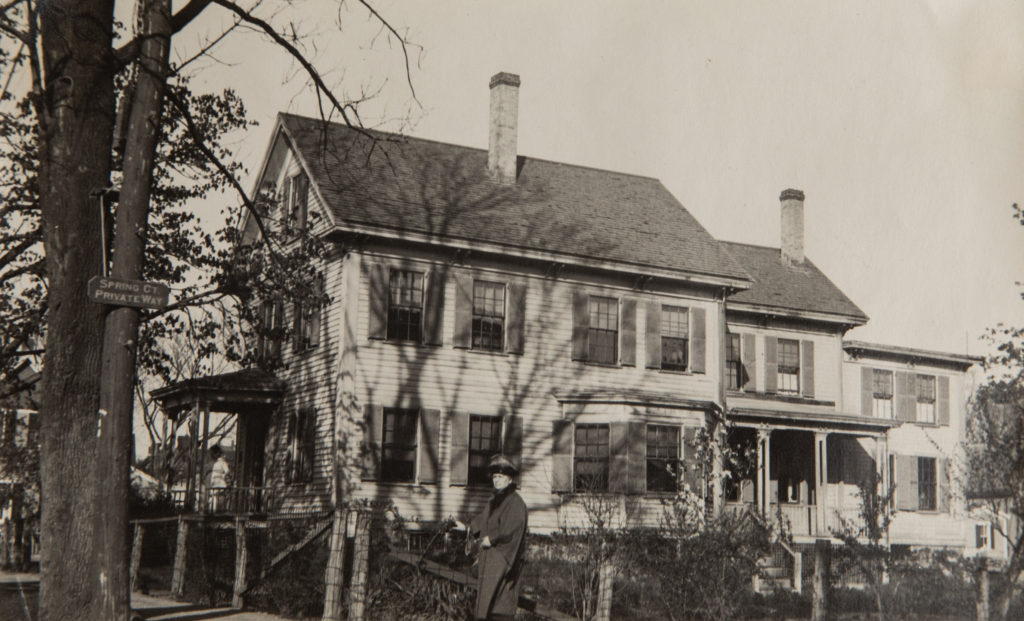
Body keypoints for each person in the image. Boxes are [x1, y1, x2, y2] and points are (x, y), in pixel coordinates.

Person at [468, 454, 528, 621]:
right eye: (495, 477)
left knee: (501, 601)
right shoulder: (494, 501)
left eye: (500, 477)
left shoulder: (515, 503)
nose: (497, 480)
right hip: (489, 559)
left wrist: (492, 539)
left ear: (509, 480)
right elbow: (482, 521)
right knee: (487, 601)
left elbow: (511, 529)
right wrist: (469, 528)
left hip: (503, 560)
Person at [206, 445, 230, 511]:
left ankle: (216, 510)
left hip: (218, 482)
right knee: (212, 497)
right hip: (212, 481)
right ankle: (211, 510)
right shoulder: (212, 462)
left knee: (217, 497)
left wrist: (224, 477)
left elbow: (227, 472)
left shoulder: (221, 462)